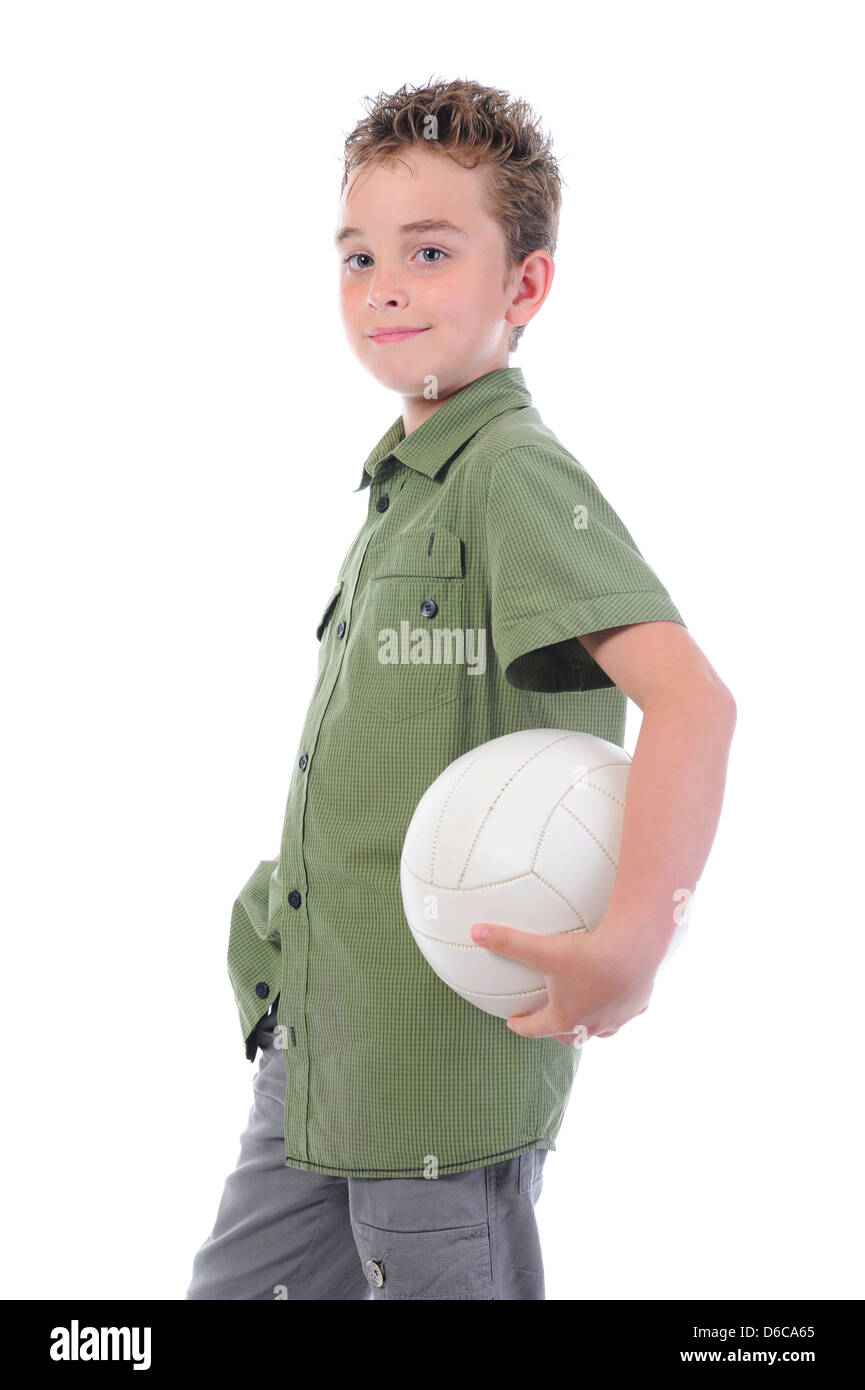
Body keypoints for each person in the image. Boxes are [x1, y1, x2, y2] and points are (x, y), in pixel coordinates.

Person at [186, 77, 736, 1301]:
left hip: (436, 1086)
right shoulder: (407, 481)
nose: (383, 284)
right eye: (358, 255)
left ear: (523, 286)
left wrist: (635, 942)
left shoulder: (511, 474)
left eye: (430, 252)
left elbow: (694, 700)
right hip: (326, 1043)